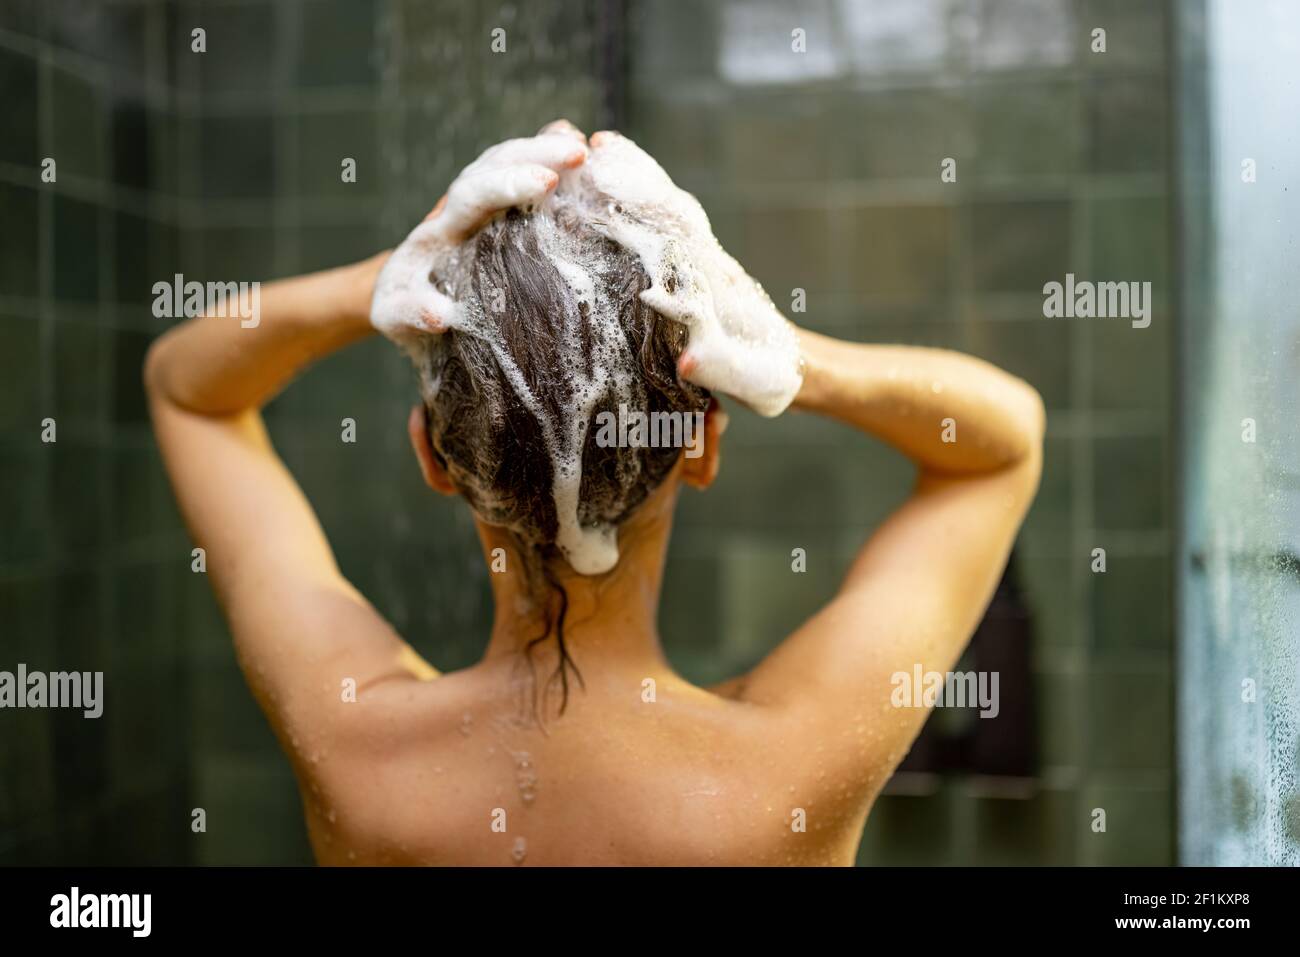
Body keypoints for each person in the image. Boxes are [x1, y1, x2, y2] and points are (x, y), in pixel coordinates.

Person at [145, 120, 1044, 865]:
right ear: (700, 446)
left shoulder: (358, 749)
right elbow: (1003, 442)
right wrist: (790, 360)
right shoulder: (786, 773)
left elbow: (185, 387)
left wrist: (383, 281)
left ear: (432, 457)